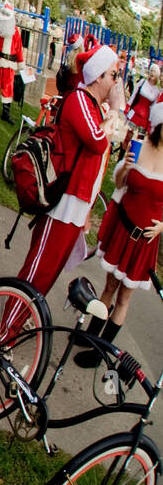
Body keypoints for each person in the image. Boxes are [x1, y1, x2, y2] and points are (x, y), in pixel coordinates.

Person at [0, 45, 120, 341]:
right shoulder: (79, 99)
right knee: (36, 272)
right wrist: (115, 112)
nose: (117, 82)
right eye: (114, 75)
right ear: (98, 76)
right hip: (62, 205)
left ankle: (19, 321)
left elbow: (98, 162)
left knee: (48, 275)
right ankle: (3, 333)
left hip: (75, 208)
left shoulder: (94, 106)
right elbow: (97, 142)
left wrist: (89, 210)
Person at [79, 101, 163, 368]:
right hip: (123, 227)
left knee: (124, 298)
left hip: (144, 240)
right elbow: (119, 184)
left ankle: (100, 352)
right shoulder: (141, 145)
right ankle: (90, 337)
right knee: (109, 288)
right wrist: (126, 166)